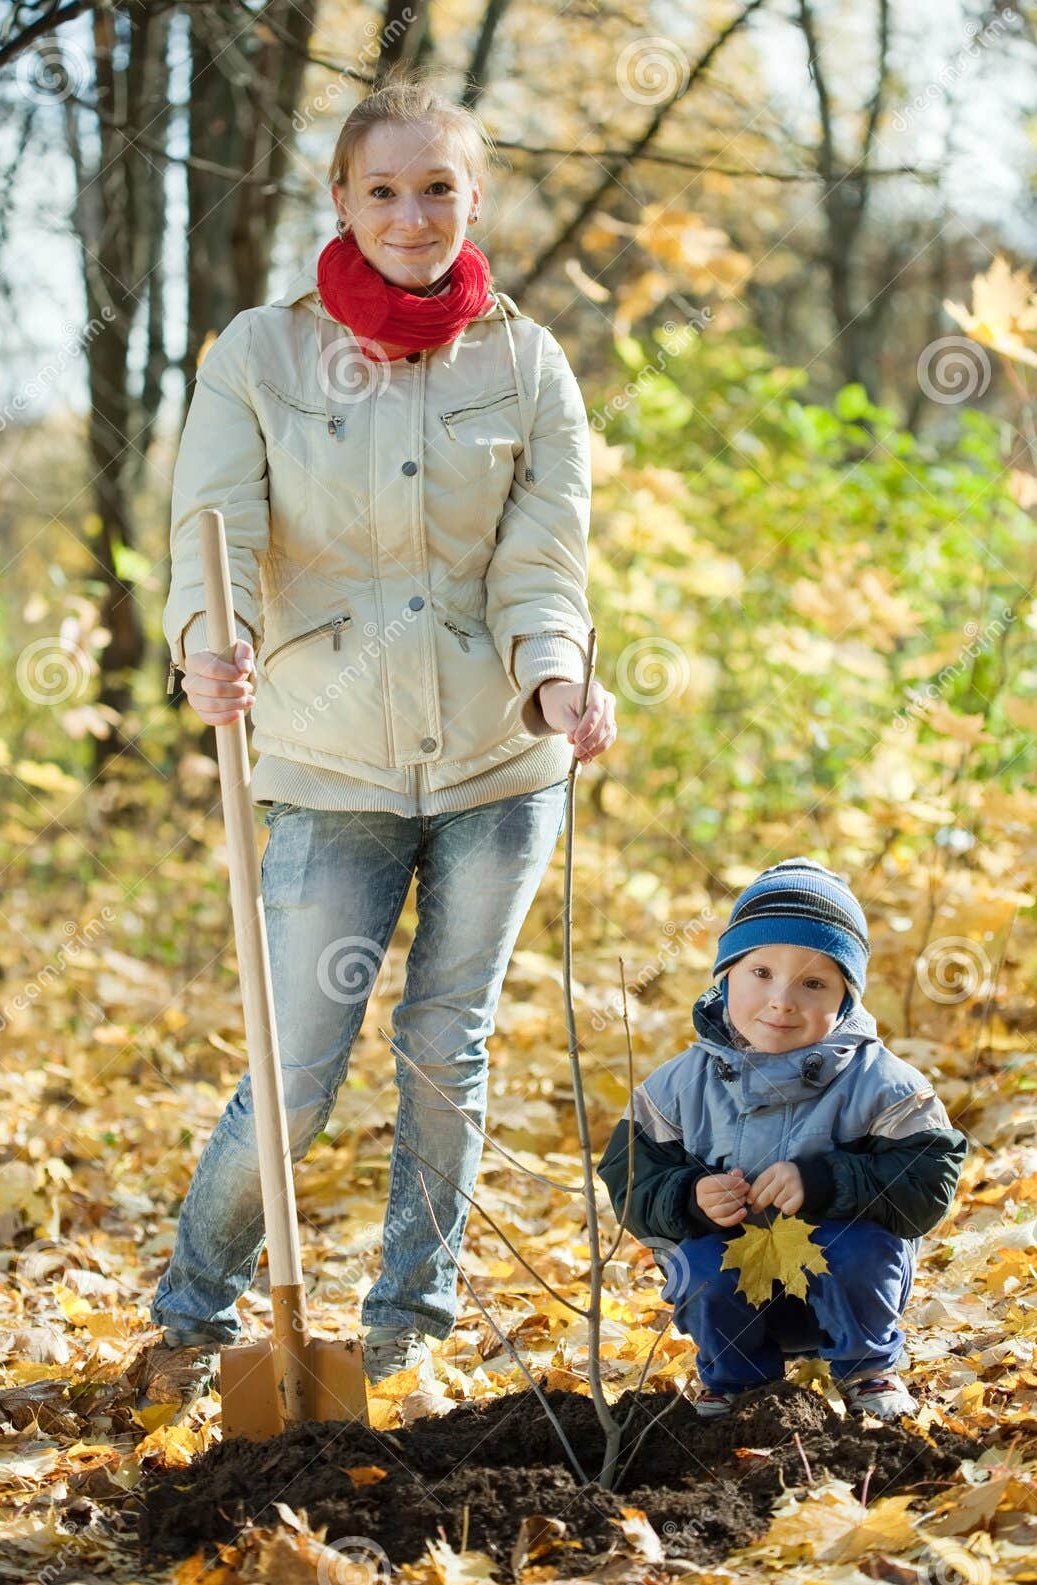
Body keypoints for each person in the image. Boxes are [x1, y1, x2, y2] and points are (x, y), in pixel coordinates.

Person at [148, 74, 616, 1395]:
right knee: (295, 1065)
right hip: (325, 759)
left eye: (437, 188)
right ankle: (193, 1318)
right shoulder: (259, 353)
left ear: (472, 199)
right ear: (341, 200)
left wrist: (553, 682)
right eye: (382, 189)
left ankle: (410, 1320)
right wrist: (207, 648)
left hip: (493, 766)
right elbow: (210, 534)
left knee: (441, 1047)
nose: (410, 214)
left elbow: (543, 566)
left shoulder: (525, 363)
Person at [598, 858, 966, 1422]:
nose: (782, 1001)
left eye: (814, 983)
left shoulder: (883, 1084)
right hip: (733, 1282)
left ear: (847, 997)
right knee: (697, 1267)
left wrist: (826, 1181)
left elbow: (928, 1182)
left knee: (862, 1250)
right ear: (724, 977)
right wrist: (688, 1195)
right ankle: (738, 1384)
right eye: (761, 973)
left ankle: (867, 1370)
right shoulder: (676, 1087)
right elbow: (629, 1177)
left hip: (843, 1284)